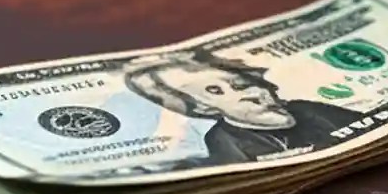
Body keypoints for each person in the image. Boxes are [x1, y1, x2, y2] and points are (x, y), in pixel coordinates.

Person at [124, 52, 363, 164]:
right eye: (214, 91)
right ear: (204, 108)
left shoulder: (308, 110)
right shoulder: (222, 146)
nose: (252, 94)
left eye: (243, 84)